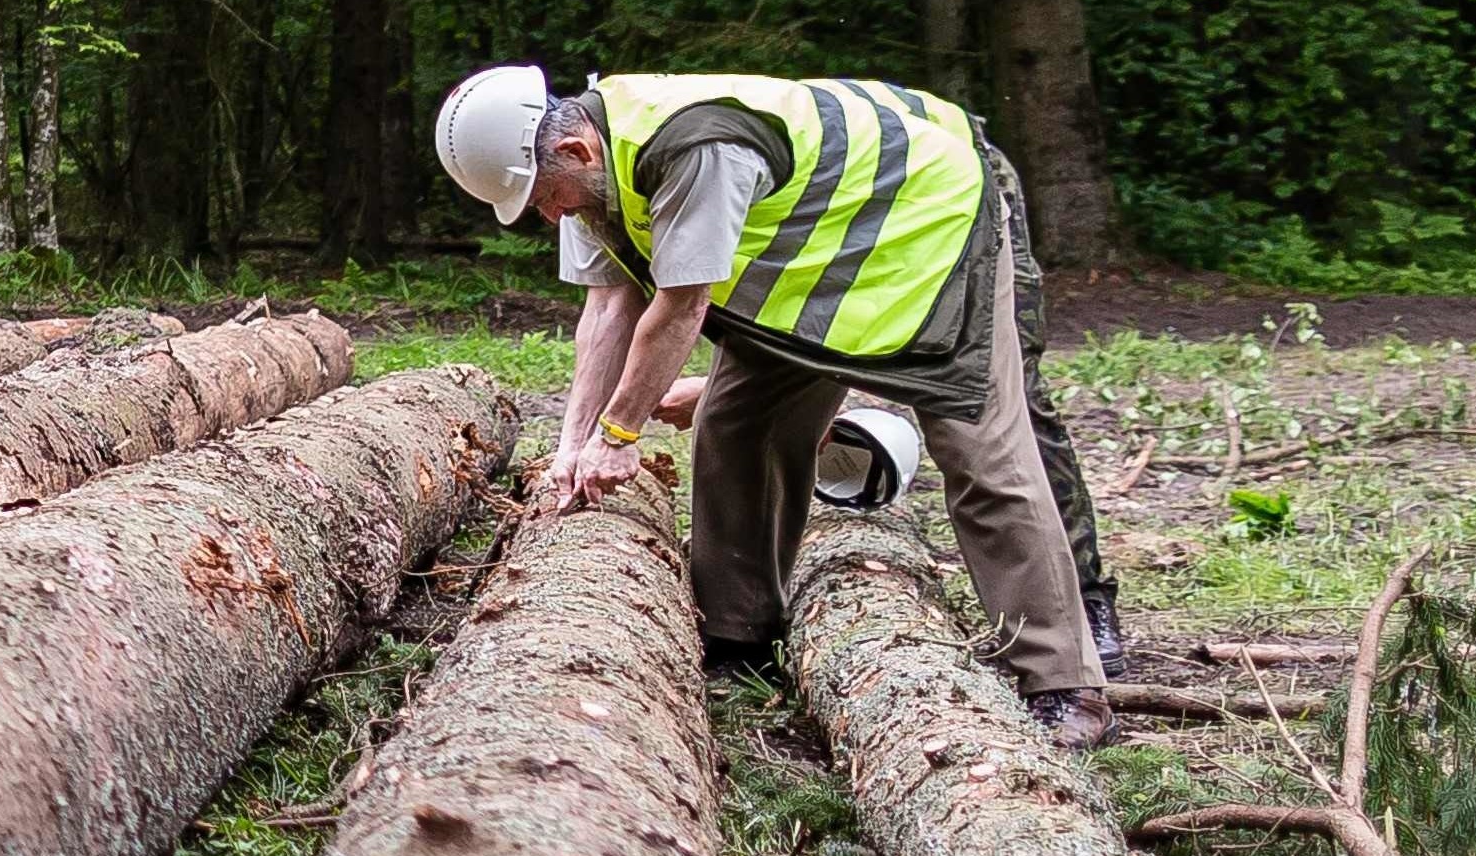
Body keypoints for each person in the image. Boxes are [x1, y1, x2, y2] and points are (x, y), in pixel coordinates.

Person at [434, 64, 1123, 747]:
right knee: (737, 423)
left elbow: (680, 305)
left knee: (980, 451)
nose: (549, 215)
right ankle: (740, 635)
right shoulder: (587, 172)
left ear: (574, 150)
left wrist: (617, 433)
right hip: (815, 263)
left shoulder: (691, 145)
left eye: (545, 197)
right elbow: (609, 307)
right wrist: (570, 447)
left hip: (931, 225)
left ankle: (1060, 680)